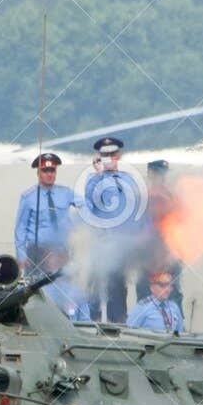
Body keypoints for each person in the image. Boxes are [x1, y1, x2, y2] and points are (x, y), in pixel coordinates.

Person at [82, 136, 146, 324]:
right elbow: (93, 203)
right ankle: (91, 329)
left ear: (118, 156)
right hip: (100, 244)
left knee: (118, 294)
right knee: (94, 293)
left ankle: (117, 329)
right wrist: (101, 175)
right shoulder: (93, 180)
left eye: (112, 154)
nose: (109, 157)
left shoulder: (129, 180)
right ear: (99, 157)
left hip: (121, 247)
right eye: (105, 155)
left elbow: (133, 211)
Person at [13, 151, 78, 271]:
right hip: (37, 252)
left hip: (61, 250)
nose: (49, 174)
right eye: (45, 171)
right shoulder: (29, 197)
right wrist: (21, 254)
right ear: (38, 173)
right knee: (37, 287)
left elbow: (87, 207)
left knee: (63, 285)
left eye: (52, 170)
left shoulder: (66, 193)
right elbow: (20, 228)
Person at [136, 159, 183, 306]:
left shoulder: (172, 197)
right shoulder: (142, 197)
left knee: (173, 296)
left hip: (169, 254)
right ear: (150, 174)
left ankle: (176, 326)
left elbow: (181, 222)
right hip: (147, 255)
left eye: (163, 174)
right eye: (157, 173)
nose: (161, 177)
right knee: (145, 295)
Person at [40, 249, 90, 321]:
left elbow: (86, 322)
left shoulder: (77, 292)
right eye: (53, 256)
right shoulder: (40, 290)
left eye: (61, 256)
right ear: (47, 260)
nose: (57, 260)